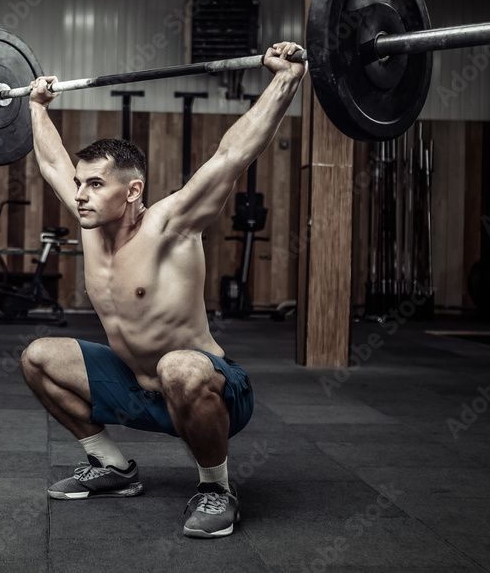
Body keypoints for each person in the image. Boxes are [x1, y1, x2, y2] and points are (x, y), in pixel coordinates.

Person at [20, 41, 306, 538]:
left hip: (209, 386)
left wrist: (285, 79)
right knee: (38, 356)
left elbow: (232, 155)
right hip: (139, 388)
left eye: (93, 184)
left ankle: (216, 488)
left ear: (132, 191)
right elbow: (50, 164)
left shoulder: (171, 224)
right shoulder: (90, 222)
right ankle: (112, 468)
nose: (80, 195)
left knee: (177, 364)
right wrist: (36, 106)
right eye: (80, 184)